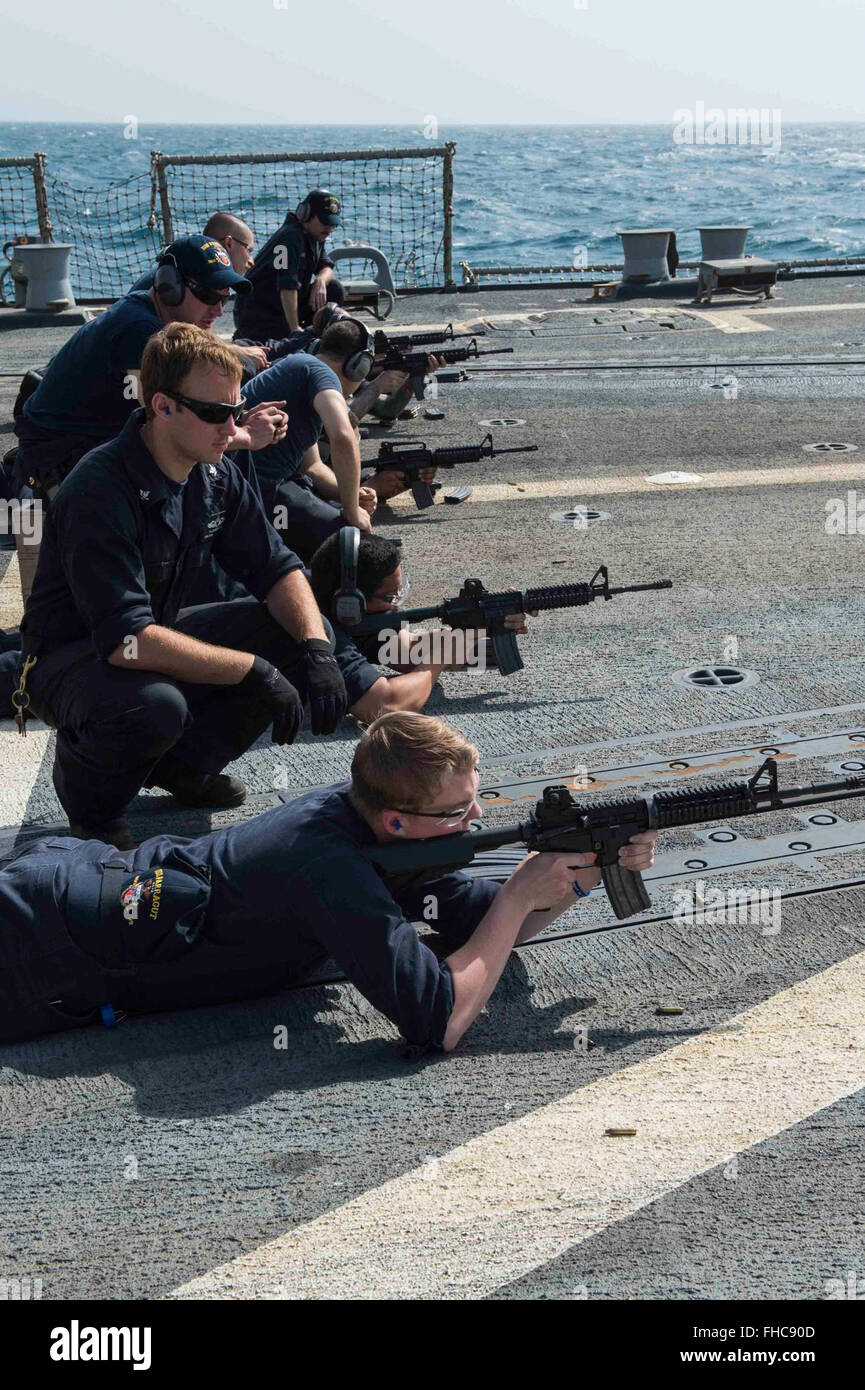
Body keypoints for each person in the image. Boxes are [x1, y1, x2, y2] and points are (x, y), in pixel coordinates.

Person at [0, 711, 658, 1049]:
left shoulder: (358, 819)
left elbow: (474, 922)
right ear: (397, 822)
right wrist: (519, 896)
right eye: (458, 811)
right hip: (33, 949)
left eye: (475, 798)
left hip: (68, 882)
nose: (478, 816)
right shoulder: (328, 869)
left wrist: (584, 874)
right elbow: (440, 1020)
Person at [17, 323, 347, 850]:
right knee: (153, 708)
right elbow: (128, 643)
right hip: (74, 657)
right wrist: (254, 670)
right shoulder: (100, 489)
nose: (230, 427)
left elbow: (276, 567)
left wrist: (318, 649)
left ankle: (184, 768)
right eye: (215, 413)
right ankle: (88, 801)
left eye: (235, 412)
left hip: (151, 634)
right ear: (163, 406)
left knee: (297, 631)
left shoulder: (211, 473)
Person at [14, 234, 270, 504]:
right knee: (216, 452)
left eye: (224, 299)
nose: (218, 311)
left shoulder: (149, 310)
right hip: (61, 455)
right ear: (171, 287)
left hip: (87, 440)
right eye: (208, 296)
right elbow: (171, 433)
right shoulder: (140, 332)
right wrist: (248, 435)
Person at [308, 531, 531, 721]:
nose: (395, 605)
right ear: (349, 602)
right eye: (389, 597)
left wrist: (481, 624)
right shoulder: (318, 631)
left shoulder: (336, 603)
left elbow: (404, 651)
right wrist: (440, 658)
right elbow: (386, 706)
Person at [233, 189, 344, 343]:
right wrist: (294, 329)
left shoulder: (316, 235)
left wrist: (320, 280)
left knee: (334, 289)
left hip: (282, 306)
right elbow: (287, 285)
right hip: (260, 313)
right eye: (325, 222)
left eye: (333, 224)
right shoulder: (288, 239)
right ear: (306, 214)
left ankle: (318, 338)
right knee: (294, 339)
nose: (329, 229)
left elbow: (326, 267)